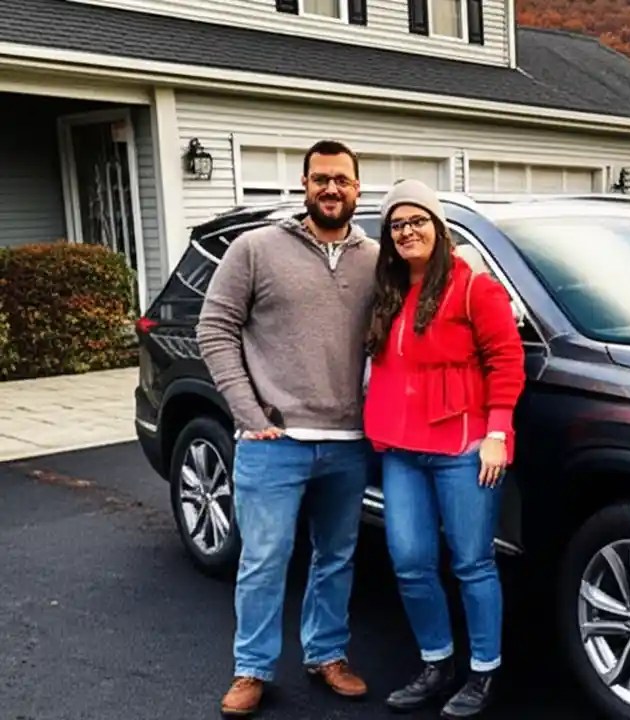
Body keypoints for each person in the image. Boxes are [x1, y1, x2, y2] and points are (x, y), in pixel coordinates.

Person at [196, 140, 379, 717]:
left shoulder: (376, 259)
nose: (331, 189)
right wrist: (250, 413)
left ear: (357, 188)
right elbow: (214, 329)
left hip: (348, 444)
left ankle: (327, 654)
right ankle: (251, 668)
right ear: (304, 184)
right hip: (273, 443)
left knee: (336, 557)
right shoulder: (256, 249)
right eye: (321, 178)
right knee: (264, 559)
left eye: (342, 180)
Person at [362, 179, 526, 718]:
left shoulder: (473, 287)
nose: (408, 231)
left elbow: (506, 360)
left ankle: (485, 672)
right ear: (389, 237)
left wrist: (498, 434)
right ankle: (438, 663)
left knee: (473, 563)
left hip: (463, 447)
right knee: (409, 560)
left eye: (418, 221)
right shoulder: (385, 290)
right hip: (400, 449)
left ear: (438, 227)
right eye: (398, 225)